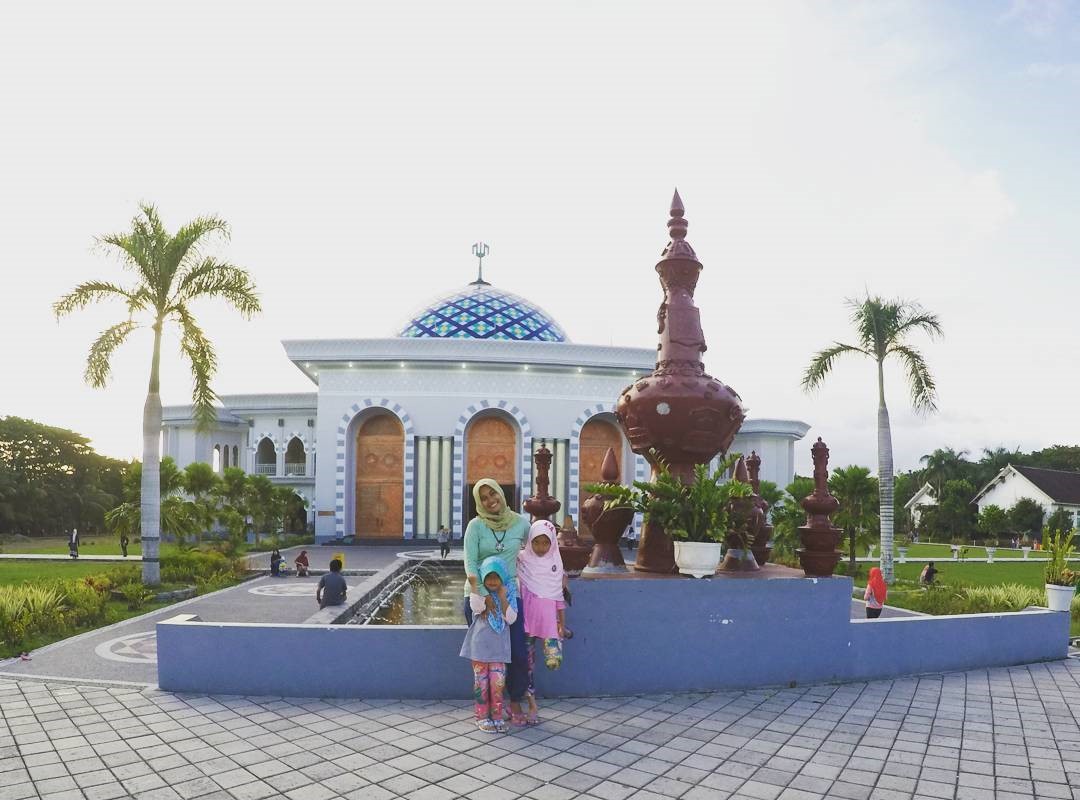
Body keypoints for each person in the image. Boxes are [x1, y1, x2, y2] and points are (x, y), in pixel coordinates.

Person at [463, 479, 530, 726]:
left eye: (494, 494)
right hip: (479, 597)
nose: (491, 500)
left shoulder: (521, 524)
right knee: (485, 657)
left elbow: (538, 551)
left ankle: (514, 701)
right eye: (484, 498)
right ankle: (485, 709)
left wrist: (559, 577)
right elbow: (470, 564)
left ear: (501, 494)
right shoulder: (475, 526)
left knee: (517, 653)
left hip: (510, 596)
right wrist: (482, 595)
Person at [460, 557, 517, 733]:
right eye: (489, 577)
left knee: (497, 682)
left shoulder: (508, 593)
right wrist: (476, 586)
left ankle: (497, 715)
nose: (492, 581)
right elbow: (476, 607)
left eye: (496, 577)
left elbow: (512, 618)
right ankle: (482, 716)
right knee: (481, 683)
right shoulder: (479, 596)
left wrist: (503, 598)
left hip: (499, 649)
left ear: (503, 578)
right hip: (480, 648)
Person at [517, 520, 566, 725]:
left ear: (552, 543)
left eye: (545, 543)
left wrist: (562, 624)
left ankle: (530, 702)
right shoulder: (522, 560)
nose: (540, 547)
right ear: (530, 541)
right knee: (527, 665)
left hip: (548, 626)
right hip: (527, 625)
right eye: (536, 542)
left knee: (553, 662)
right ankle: (531, 703)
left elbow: (559, 600)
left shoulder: (556, 566)